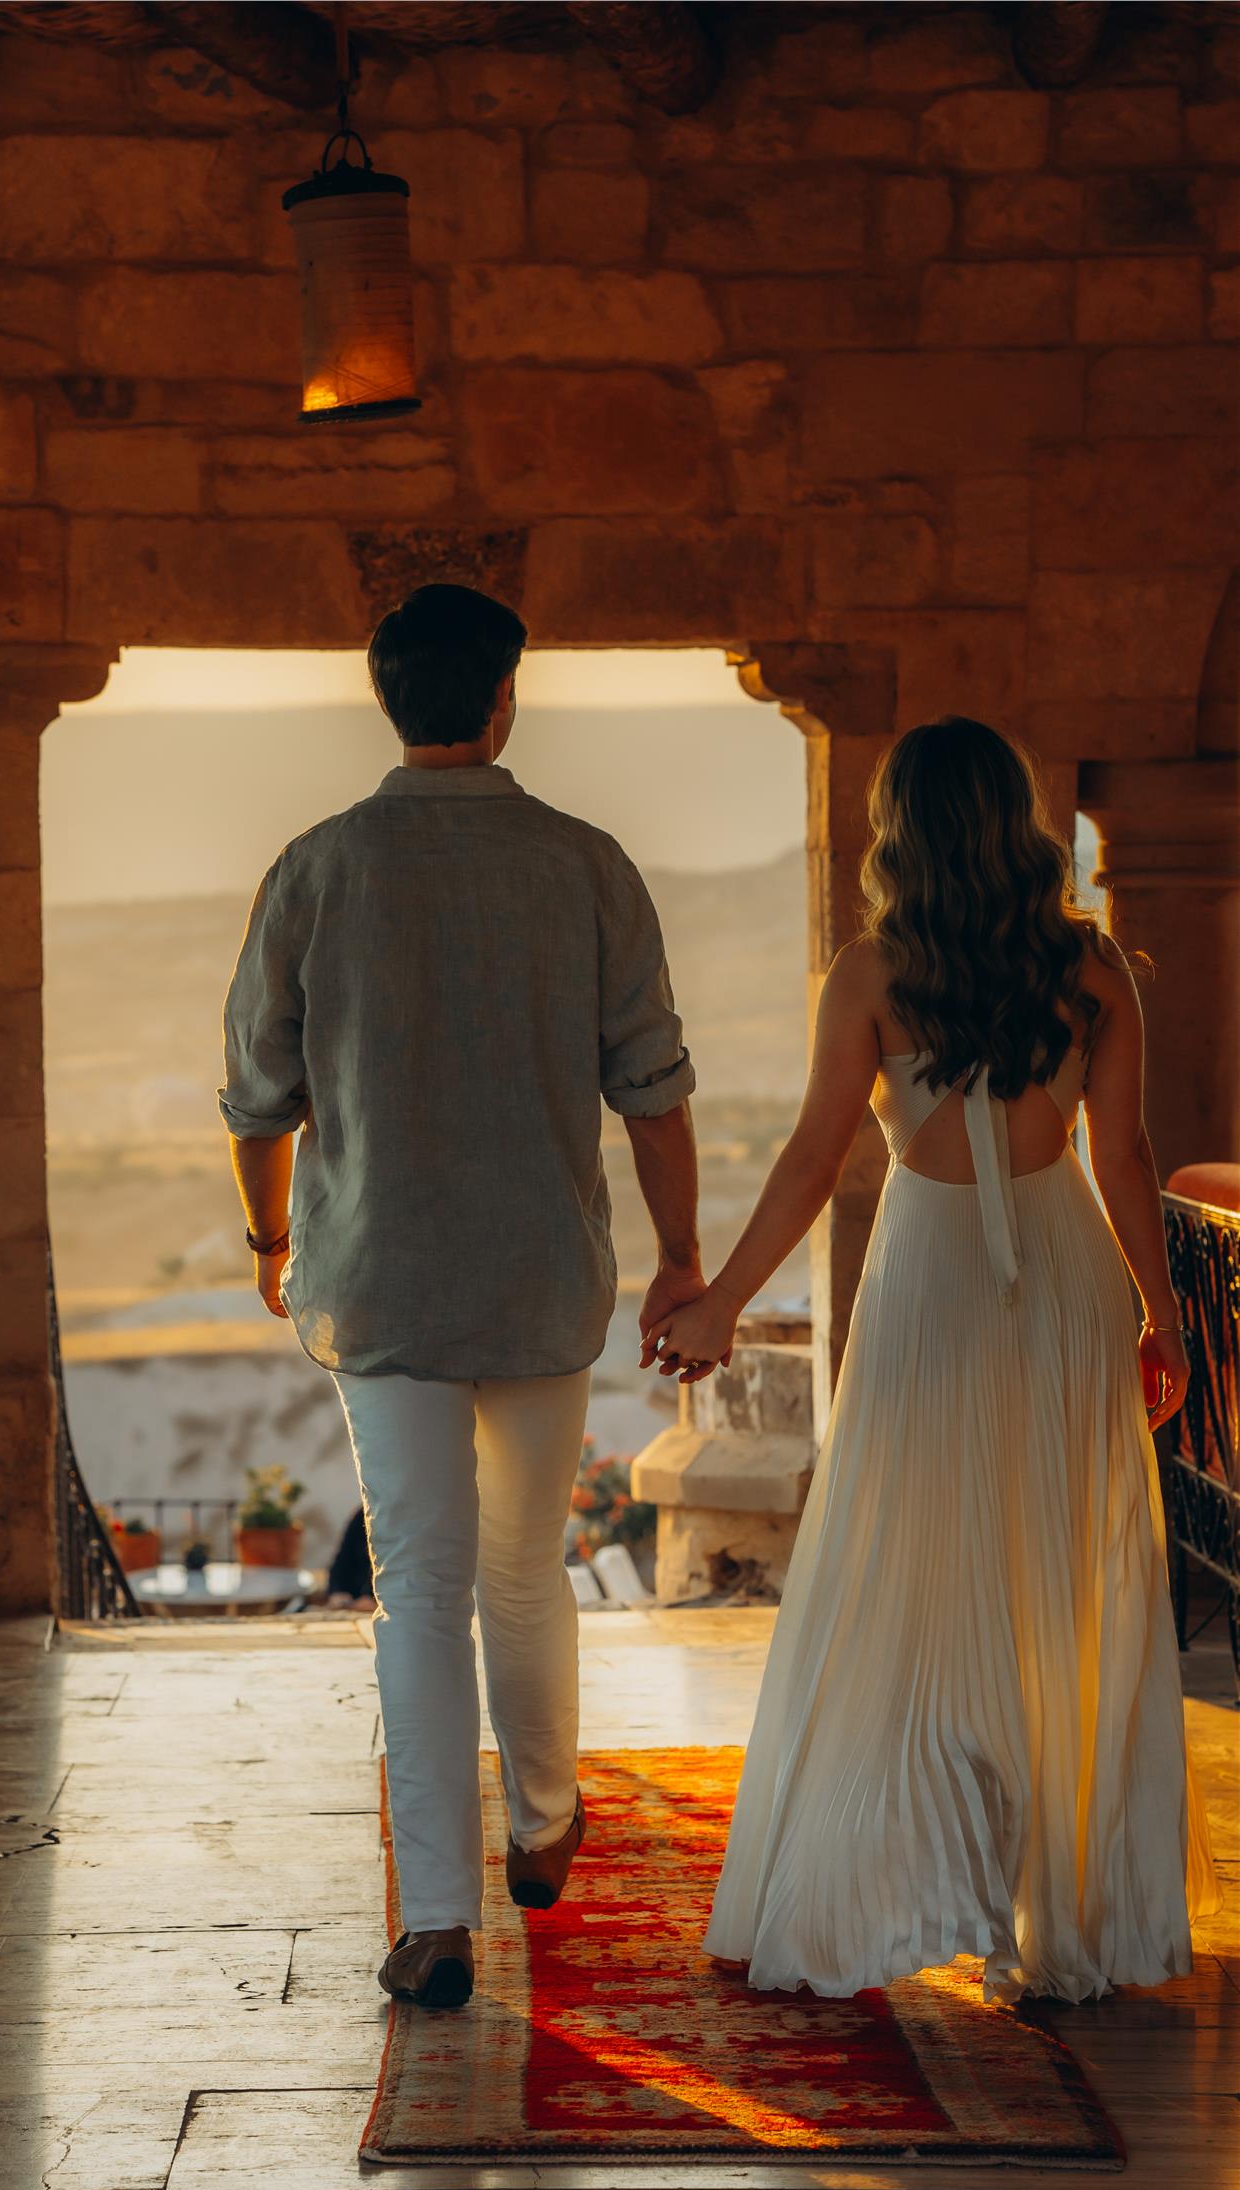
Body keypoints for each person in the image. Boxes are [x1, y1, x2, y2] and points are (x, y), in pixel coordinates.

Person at [648, 716, 1218, 2003]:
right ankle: (1062, 1903)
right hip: (1065, 1279)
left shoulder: (869, 973)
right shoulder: (1092, 966)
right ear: (1020, 822)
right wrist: (1161, 1319)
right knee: (1057, 1572)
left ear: (897, 830)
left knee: (903, 1559)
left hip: (928, 1286)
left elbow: (814, 1157)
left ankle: (909, 1867)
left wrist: (724, 1302)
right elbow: (1124, 1158)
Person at [221, 584, 701, 2010]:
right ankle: (543, 1822)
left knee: (420, 1589)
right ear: (503, 699)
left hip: (380, 1285)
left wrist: (269, 1238)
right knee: (523, 1566)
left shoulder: (316, 868)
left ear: (390, 699)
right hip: (540, 1276)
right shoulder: (586, 864)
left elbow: (258, 1096)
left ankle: (436, 1919)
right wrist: (680, 1256)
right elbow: (654, 1090)